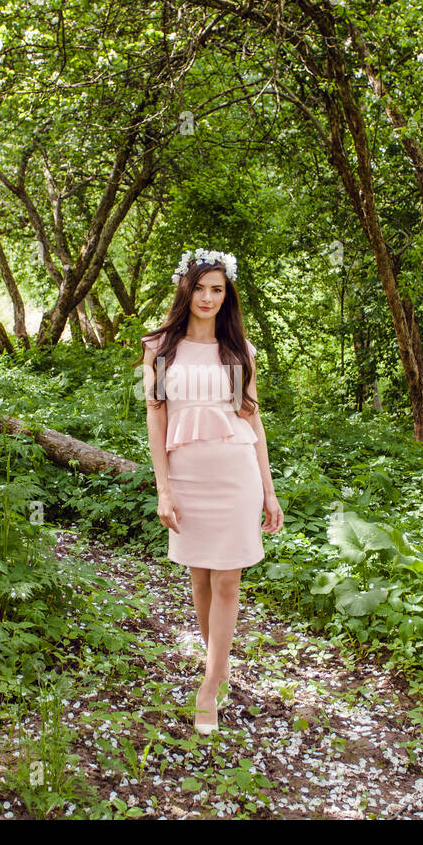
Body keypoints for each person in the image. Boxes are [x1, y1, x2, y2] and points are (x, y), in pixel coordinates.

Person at [138, 248, 284, 736]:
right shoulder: (160, 348)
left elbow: (252, 417)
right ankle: (218, 668)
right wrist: (163, 488)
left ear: (227, 294)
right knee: (200, 577)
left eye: (217, 289)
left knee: (227, 579)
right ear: (186, 288)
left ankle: (208, 686)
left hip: (235, 472)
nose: (208, 297)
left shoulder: (238, 349)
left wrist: (269, 489)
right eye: (200, 288)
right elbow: (156, 415)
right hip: (186, 476)